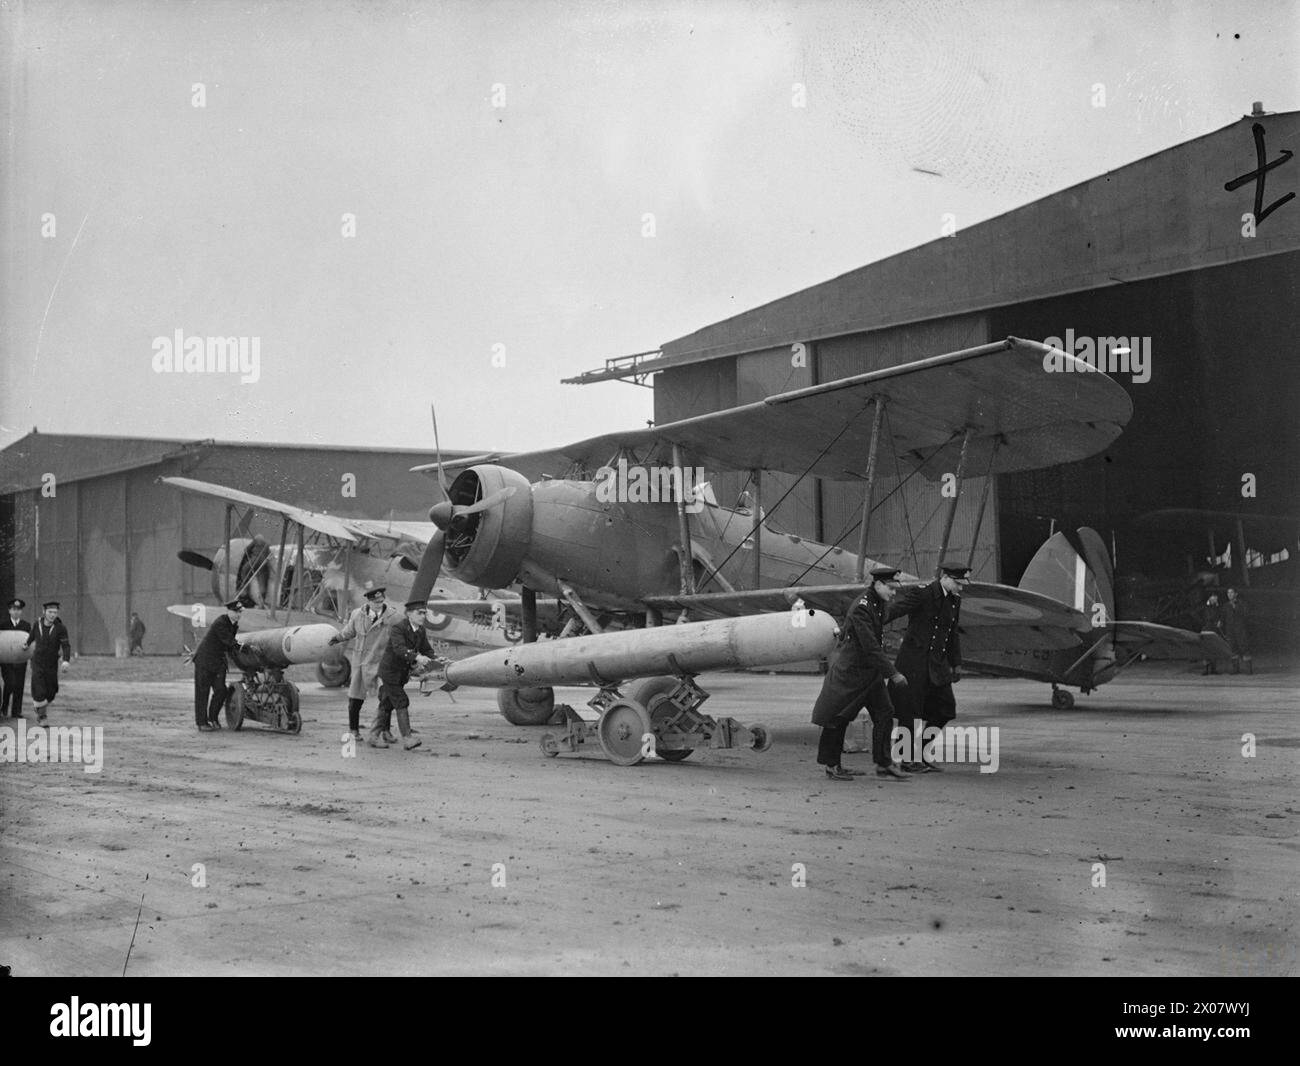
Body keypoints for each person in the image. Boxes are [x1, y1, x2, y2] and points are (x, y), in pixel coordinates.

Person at [811, 567, 911, 781]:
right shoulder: (862, 608)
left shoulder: (879, 604)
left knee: (885, 713)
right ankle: (832, 765)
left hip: (870, 675)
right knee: (838, 718)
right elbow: (870, 647)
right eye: (891, 588)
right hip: (852, 674)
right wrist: (893, 674)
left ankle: (883, 764)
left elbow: (887, 617)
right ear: (878, 584)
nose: (893, 593)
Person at [890, 562, 970, 772]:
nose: (960, 588)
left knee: (945, 710)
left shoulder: (954, 601)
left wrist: (957, 663)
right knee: (910, 712)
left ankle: (921, 753)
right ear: (945, 577)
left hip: (937, 664)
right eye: (957, 583)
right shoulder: (922, 594)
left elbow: (952, 634)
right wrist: (869, 620)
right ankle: (906, 760)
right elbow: (896, 610)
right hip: (913, 663)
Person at [328, 584, 395, 741]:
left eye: (381, 601)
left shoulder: (392, 617)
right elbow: (349, 631)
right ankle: (353, 730)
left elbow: (398, 636)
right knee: (355, 697)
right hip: (361, 661)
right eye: (376, 602)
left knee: (386, 697)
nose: (379, 605)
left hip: (381, 661)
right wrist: (337, 638)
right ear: (369, 602)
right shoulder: (357, 615)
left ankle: (385, 731)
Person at [373, 601, 435, 751]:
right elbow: (399, 649)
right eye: (419, 613)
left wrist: (436, 659)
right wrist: (417, 658)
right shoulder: (398, 628)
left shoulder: (420, 631)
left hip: (400, 674)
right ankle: (407, 739)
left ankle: (374, 736)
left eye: (424, 613)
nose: (423, 616)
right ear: (409, 614)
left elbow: (427, 649)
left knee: (387, 703)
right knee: (401, 701)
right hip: (390, 672)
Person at [192, 600, 242, 732]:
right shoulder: (221, 623)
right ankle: (202, 723)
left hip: (218, 662)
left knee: (221, 691)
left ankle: (212, 718)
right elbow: (229, 642)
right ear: (229, 611)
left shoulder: (233, 624)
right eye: (236, 612)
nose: (238, 615)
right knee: (202, 692)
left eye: (240, 612)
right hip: (204, 661)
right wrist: (243, 648)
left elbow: (229, 645)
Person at [24, 601, 71, 724]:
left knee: (52, 691)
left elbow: (66, 645)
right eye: (50, 612)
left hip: (51, 663)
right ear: (44, 612)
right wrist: (26, 644)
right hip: (37, 662)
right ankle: (42, 716)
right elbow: (31, 636)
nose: (52, 615)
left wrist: (66, 660)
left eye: (55, 612)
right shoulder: (37, 624)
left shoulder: (61, 628)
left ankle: (39, 707)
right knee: (39, 689)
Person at [1, 598, 32, 718]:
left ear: (21, 612)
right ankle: (4, 707)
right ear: (9, 611)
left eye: (18, 610)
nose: (16, 612)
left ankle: (16, 711)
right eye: (14, 609)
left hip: (20, 661)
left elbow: (30, 641)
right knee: (9, 683)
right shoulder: (3, 625)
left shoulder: (26, 625)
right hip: (7, 662)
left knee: (19, 685)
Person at [1223, 588, 1252, 674]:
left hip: (1241, 630)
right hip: (1230, 631)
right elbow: (1224, 618)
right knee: (1232, 649)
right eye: (1228, 593)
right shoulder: (1225, 606)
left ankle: (1248, 669)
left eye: (1231, 592)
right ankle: (1235, 669)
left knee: (1244, 648)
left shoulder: (1242, 604)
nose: (1229, 594)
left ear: (1236, 594)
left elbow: (1246, 615)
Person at [1202, 593, 1224, 675]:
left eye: (1216, 599)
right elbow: (1208, 617)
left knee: (1214, 649)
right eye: (1214, 598)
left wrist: (1220, 622)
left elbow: (1220, 617)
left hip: (1214, 631)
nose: (1215, 600)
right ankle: (1206, 668)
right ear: (1210, 598)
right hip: (1206, 630)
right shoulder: (1205, 607)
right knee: (1206, 650)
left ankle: (1213, 668)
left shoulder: (1218, 607)